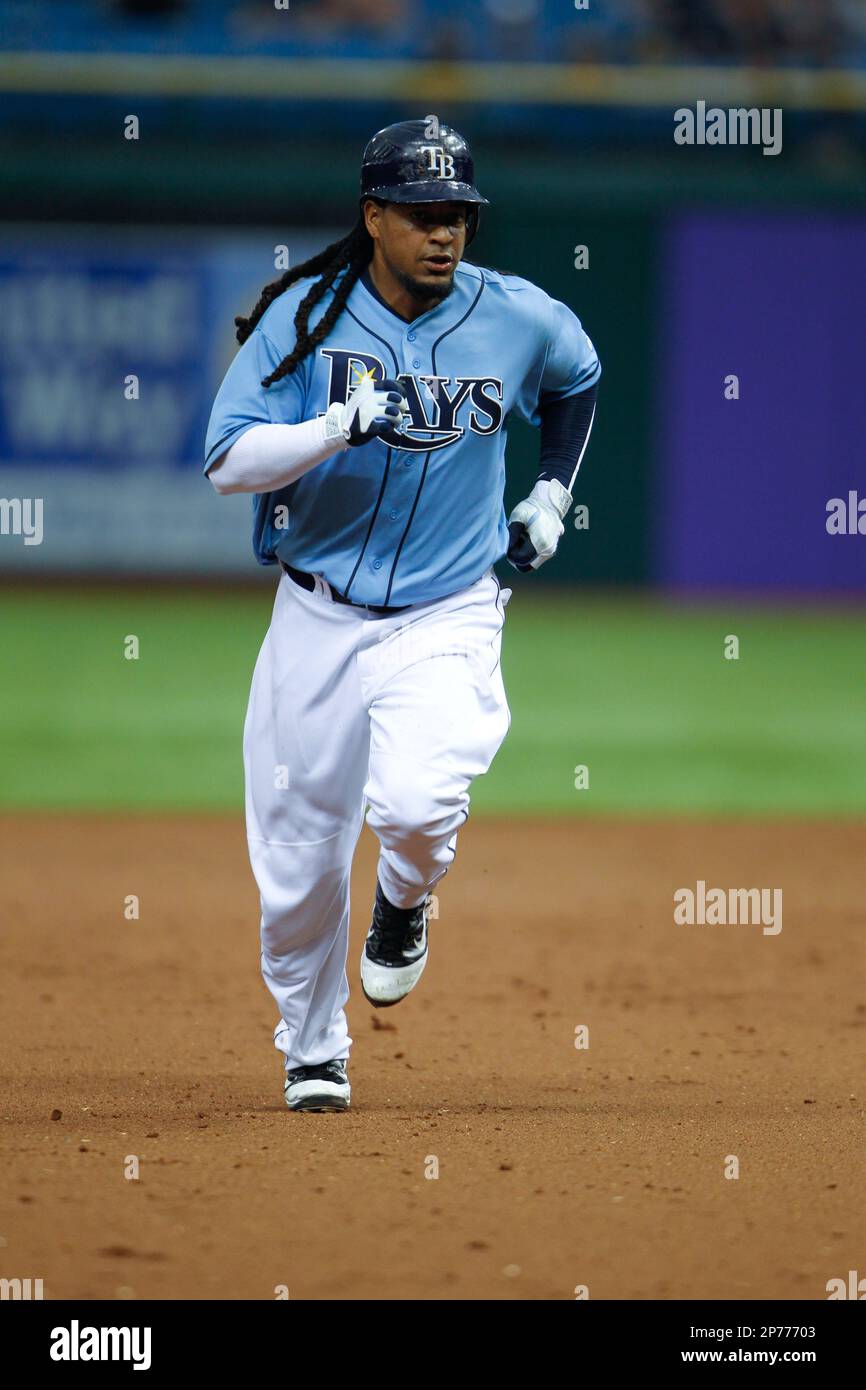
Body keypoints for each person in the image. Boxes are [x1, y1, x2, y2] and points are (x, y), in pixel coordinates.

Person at [203, 117, 600, 1112]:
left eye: (457, 214)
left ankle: (404, 901)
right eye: (422, 213)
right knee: (296, 862)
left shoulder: (513, 315)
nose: (443, 233)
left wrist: (549, 493)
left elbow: (576, 378)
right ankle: (312, 1049)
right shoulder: (301, 318)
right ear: (372, 215)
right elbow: (224, 462)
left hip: (449, 608)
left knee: (420, 806)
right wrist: (334, 424)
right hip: (315, 614)